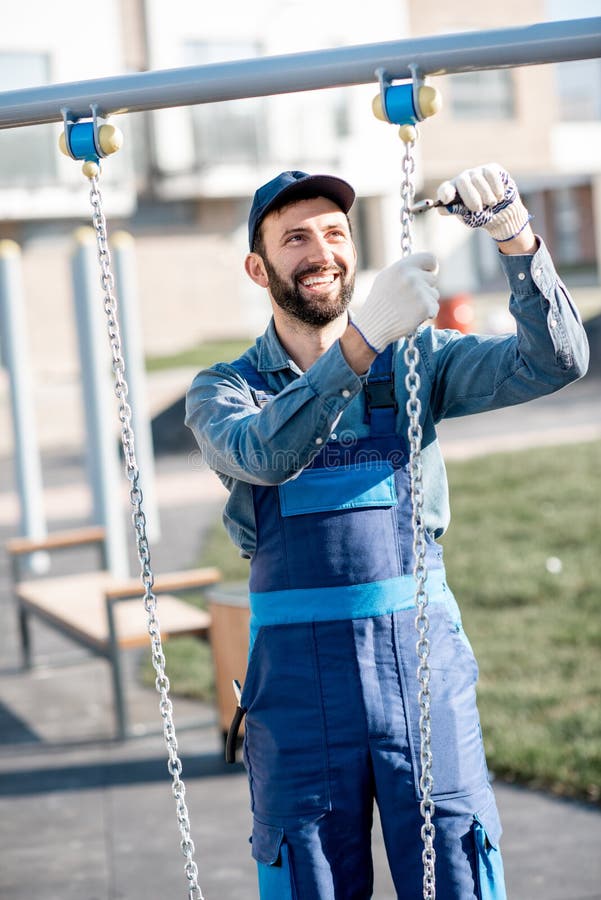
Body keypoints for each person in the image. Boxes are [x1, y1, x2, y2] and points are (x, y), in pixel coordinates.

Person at [185, 165, 589, 900]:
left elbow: (554, 361)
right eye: (294, 238)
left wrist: (513, 236)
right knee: (305, 876)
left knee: (458, 871)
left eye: (334, 232)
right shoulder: (225, 391)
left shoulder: (416, 364)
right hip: (297, 691)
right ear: (258, 266)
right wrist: (362, 341)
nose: (320, 251)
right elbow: (264, 457)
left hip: (422, 662)